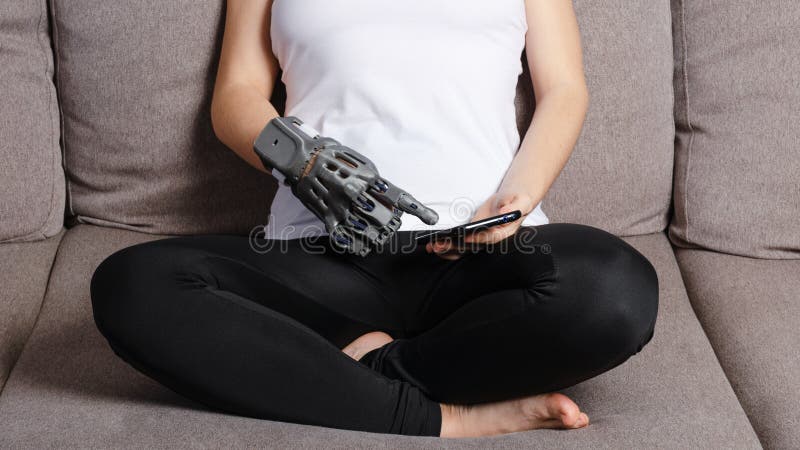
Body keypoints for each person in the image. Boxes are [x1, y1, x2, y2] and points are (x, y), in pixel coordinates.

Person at [90, 0, 659, 438]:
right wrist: (300, 157)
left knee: (615, 289)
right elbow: (235, 96)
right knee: (133, 285)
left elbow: (564, 89)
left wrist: (514, 202)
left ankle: (368, 368)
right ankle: (436, 417)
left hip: (479, 253)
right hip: (323, 255)